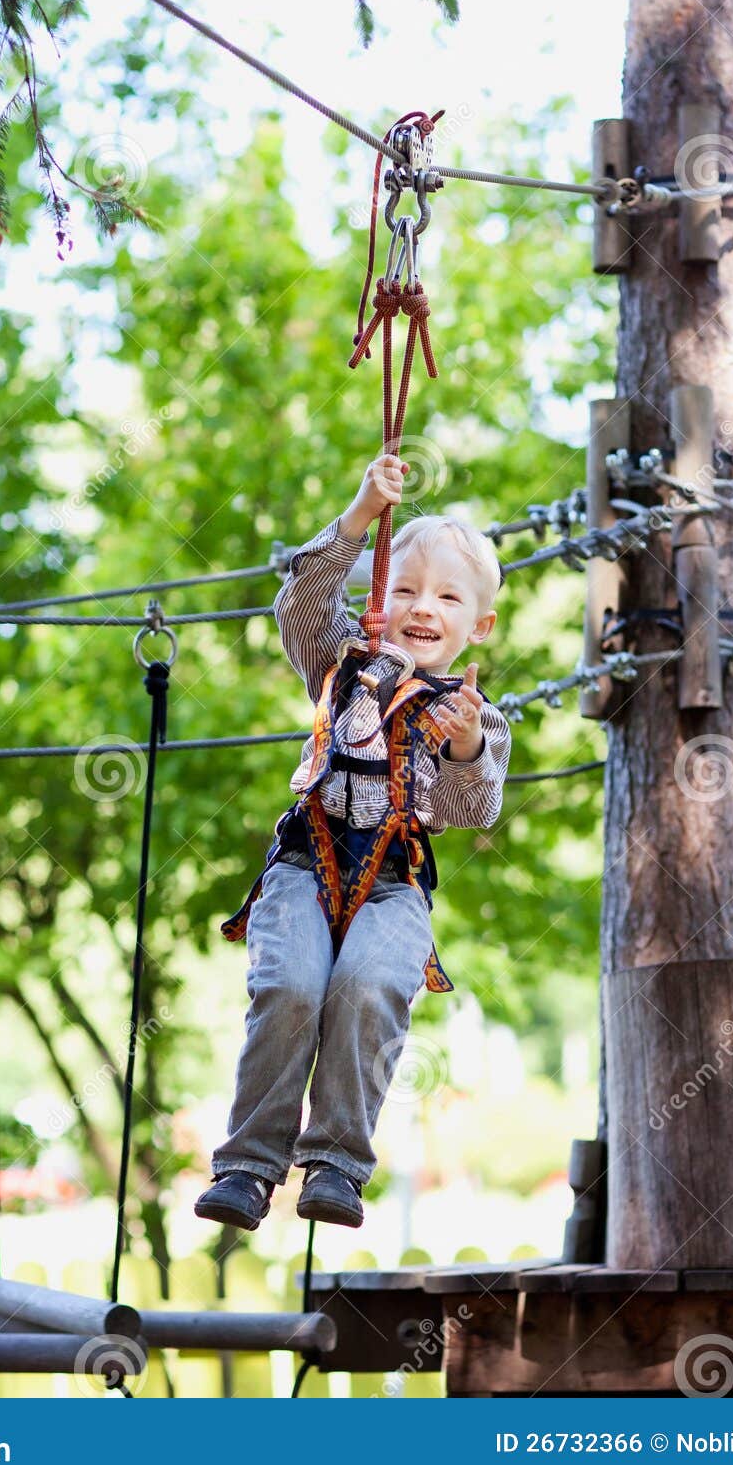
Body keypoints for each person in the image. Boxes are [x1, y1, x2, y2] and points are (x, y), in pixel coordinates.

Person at [194, 453, 512, 1231]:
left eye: (444, 596)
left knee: (369, 985)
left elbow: (474, 810)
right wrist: (360, 515)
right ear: (376, 598)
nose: (420, 608)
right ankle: (248, 1165)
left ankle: (336, 1161)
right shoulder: (341, 661)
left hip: (394, 883)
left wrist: (463, 746)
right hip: (308, 863)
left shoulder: (473, 715)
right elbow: (300, 601)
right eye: (401, 589)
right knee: (292, 988)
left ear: (478, 625)